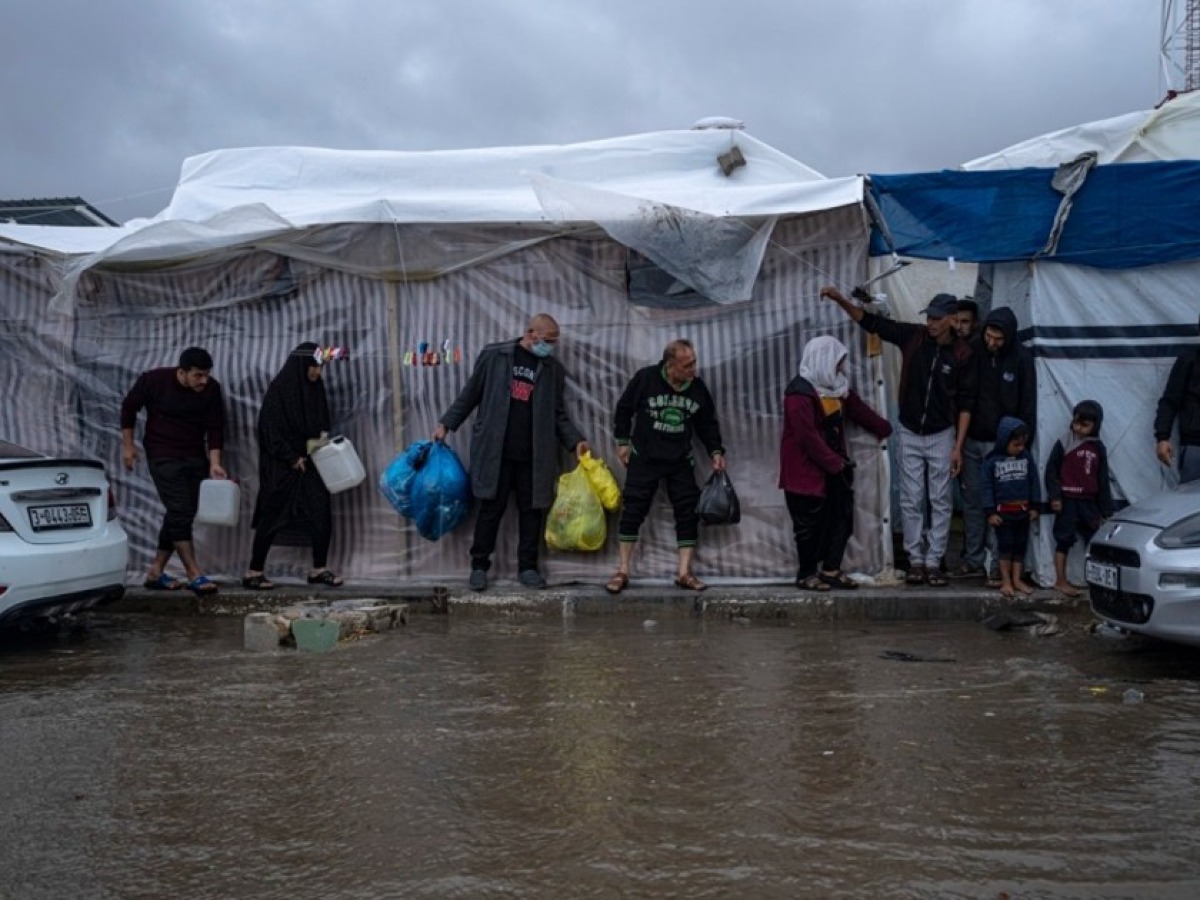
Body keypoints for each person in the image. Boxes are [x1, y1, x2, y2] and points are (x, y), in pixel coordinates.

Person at [822, 287, 976, 587]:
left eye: (937, 318)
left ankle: (934, 561)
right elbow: (872, 323)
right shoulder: (914, 337)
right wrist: (840, 300)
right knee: (911, 497)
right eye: (929, 317)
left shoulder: (963, 354)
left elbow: (967, 404)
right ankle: (916, 559)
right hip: (909, 429)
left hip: (942, 433)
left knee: (941, 499)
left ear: (951, 319)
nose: (931, 323)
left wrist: (958, 446)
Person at [434, 313, 590, 592]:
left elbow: (557, 413)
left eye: (554, 342)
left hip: (534, 454)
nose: (550, 346)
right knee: (490, 510)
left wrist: (574, 441)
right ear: (531, 333)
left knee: (532, 512)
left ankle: (528, 568)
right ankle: (479, 566)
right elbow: (470, 394)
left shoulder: (552, 369)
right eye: (547, 340)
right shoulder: (496, 356)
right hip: (496, 452)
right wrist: (446, 424)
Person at [606, 339, 725, 594]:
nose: (693, 369)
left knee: (687, 511)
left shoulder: (697, 388)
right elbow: (624, 409)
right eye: (687, 365)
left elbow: (707, 424)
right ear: (670, 365)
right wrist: (623, 442)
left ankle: (684, 573)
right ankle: (623, 570)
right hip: (645, 457)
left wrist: (715, 451)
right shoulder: (646, 379)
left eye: (694, 363)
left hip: (680, 460)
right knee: (633, 509)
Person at [779, 335, 891, 592]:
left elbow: (858, 410)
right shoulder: (799, 394)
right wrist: (834, 463)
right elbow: (807, 437)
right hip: (805, 473)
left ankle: (831, 569)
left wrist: (884, 428)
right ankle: (806, 574)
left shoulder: (836, 388)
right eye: (837, 361)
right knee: (808, 528)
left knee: (842, 518)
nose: (840, 367)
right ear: (823, 360)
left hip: (833, 469)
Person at [120, 346, 227, 596]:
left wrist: (215, 462)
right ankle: (193, 573)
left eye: (207, 375)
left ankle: (156, 572)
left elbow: (216, 427)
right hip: (162, 454)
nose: (203, 380)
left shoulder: (211, 389)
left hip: (194, 456)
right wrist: (128, 446)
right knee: (180, 510)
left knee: (181, 512)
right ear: (182, 372)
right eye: (198, 375)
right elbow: (129, 408)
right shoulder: (154, 381)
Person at [243, 342, 342, 591]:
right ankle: (254, 571)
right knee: (272, 514)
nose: (317, 372)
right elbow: (269, 429)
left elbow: (322, 424)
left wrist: (318, 445)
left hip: (311, 461)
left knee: (320, 511)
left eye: (320, 368)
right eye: (313, 367)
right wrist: (291, 457)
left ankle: (319, 568)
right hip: (282, 465)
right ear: (301, 366)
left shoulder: (315, 390)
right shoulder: (280, 390)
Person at [953, 306, 1037, 585]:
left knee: (1000, 507)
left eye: (998, 339)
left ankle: (995, 565)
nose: (992, 342)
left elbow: (1028, 403)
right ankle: (973, 559)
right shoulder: (974, 349)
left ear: (1009, 336)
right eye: (989, 336)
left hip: (1002, 447)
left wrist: (1021, 444)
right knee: (973, 501)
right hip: (972, 439)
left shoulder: (1021, 358)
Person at [1045, 400, 1114, 597]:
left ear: (1095, 425)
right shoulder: (1065, 442)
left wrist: (1106, 509)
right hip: (1067, 499)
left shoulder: (1098, 447)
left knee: (1094, 540)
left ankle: (1096, 581)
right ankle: (1061, 581)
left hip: (1089, 501)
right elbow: (1051, 471)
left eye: (1085, 425)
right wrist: (1055, 496)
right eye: (1076, 423)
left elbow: (1102, 479)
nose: (1079, 428)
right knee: (1063, 540)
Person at [981, 416, 1040, 598]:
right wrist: (990, 512)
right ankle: (1006, 580)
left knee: (1020, 546)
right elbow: (986, 487)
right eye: (1016, 444)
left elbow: (1034, 481)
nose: (1020, 448)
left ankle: (1017, 579)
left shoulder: (1026, 458)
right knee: (1005, 547)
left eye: (1022, 444)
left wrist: (1035, 506)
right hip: (1003, 513)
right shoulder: (992, 461)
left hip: (1022, 512)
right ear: (1004, 440)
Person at [1154, 313, 1200, 484]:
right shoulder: (1188, 361)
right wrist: (1162, 437)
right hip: (1195, 446)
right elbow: (1169, 401)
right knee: (1190, 498)